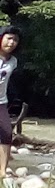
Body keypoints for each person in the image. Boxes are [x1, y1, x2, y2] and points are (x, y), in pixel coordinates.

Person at [0, 25, 17, 177]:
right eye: (9, 38)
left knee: (6, 133)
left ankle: (2, 171)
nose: (12, 43)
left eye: (15, 40)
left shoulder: (13, 61)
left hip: (1, 102)